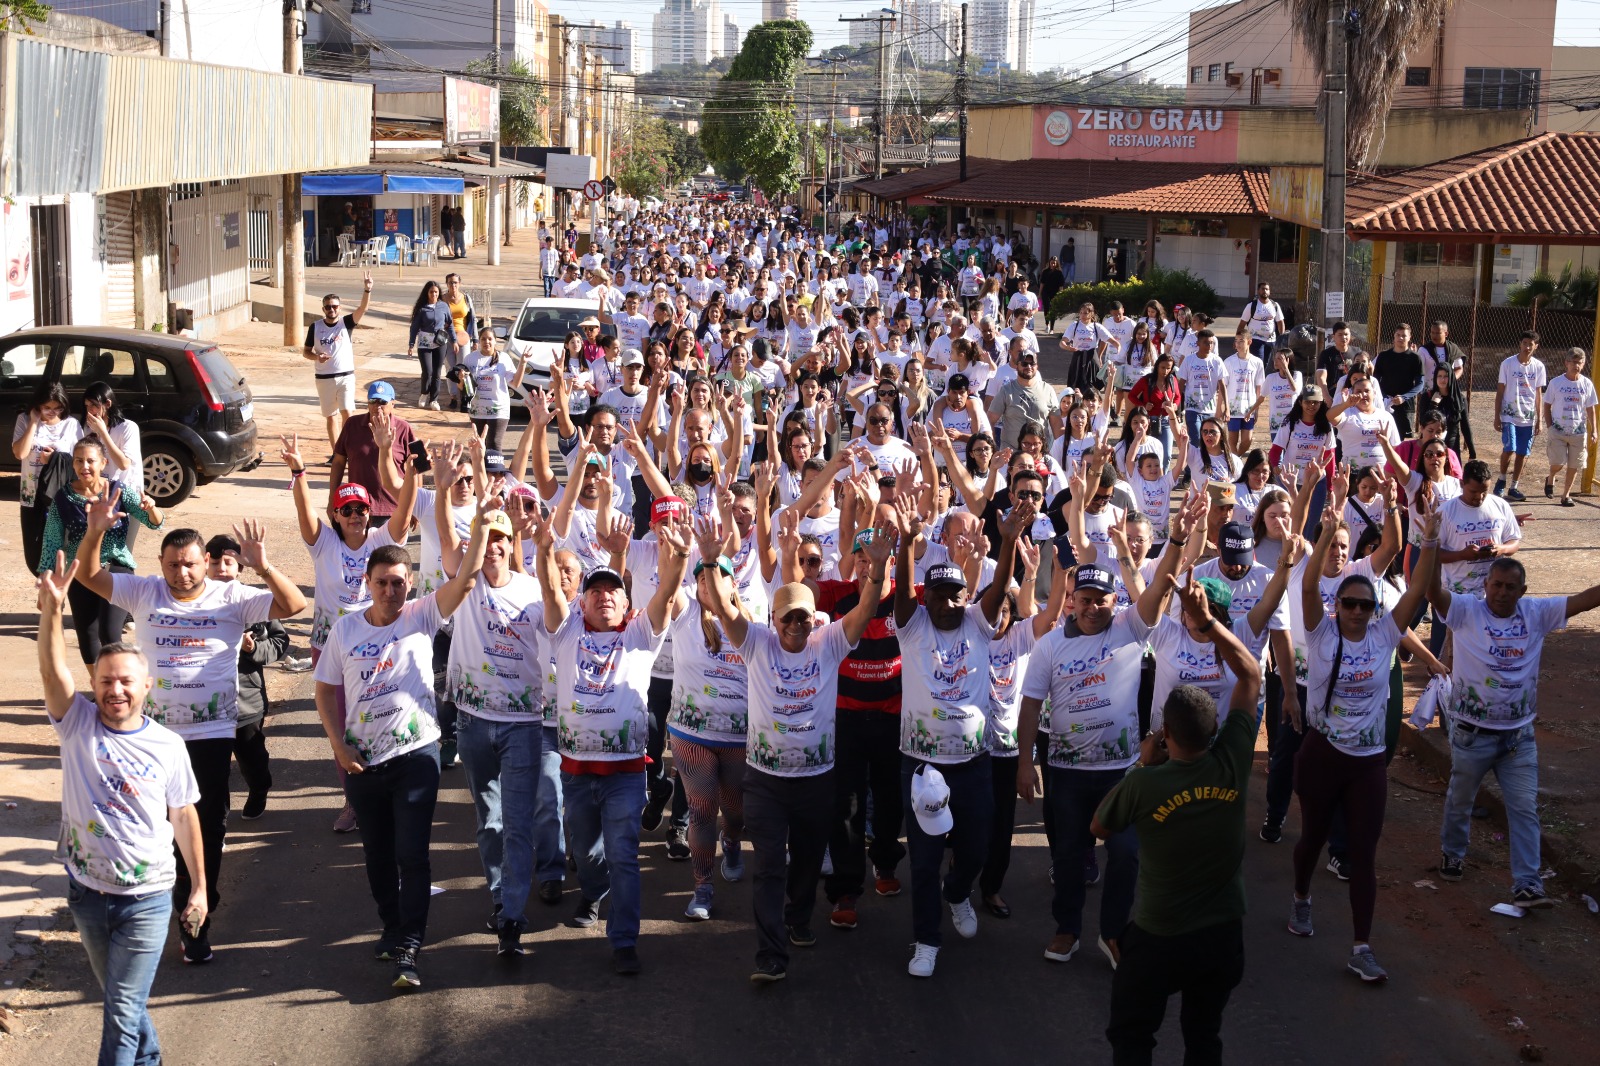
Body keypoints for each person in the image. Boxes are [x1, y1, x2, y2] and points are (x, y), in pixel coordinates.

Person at [76, 510, 304, 965]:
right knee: (157, 823)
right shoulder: (144, 591)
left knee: (208, 822)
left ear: (206, 563)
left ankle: (198, 909)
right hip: (152, 735)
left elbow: (294, 605)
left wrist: (264, 566)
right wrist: (96, 531)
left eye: (191, 564)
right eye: (173, 565)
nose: (182, 573)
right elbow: (88, 574)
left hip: (212, 732)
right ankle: (163, 902)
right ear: (160, 564)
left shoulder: (233, 595)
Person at [698, 517, 894, 984]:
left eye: (802, 615)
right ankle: (770, 954)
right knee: (768, 866)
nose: (795, 623)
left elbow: (867, 609)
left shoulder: (828, 644)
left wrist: (880, 565)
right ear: (774, 620)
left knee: (807, 861)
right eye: (786, 616)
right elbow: (725, 610)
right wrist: (709, 559)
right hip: (765, 782)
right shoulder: (757, 644)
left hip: (816, 780)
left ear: (814, 618)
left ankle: (800, 918)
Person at [1018, 493, 1208, 967]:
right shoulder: (1049, 647)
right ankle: (1066, 930)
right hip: (1065, 771)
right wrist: (1026, 762)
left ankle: (1112, 932)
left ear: (1113, 600)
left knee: (1125, 854)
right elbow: (1030, 705)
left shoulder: (1129, 628)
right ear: (1071, 601)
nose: (1093, 608)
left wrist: (1179, 537)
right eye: (1084, 600)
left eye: (1102, 600)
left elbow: (1162, 584)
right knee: (1067, 856)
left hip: (1123, 773)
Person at [314, 504, 494, 990]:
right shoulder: (345, 630)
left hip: (416, 756)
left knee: (412, 855)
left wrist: (477, 530)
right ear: (367, 585)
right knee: (377, 856)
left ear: (410, 584)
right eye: (382, 583)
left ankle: (409, 946)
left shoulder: (422, 615)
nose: (391, 591)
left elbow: (467, 580)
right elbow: (324, 690)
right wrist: (337, 747)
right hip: (362, 762)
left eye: (399, 582)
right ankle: (392, 928)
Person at [37, 553, 207, 1066]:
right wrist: (52, 613)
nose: (116, 690)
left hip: (148, 897)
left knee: (120, 1007)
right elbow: (52, 669)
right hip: (87, 892)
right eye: (107, 681)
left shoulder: (168, 745)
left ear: (146, 687)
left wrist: (197, 888)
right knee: (122, 1002)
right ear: (95, 685)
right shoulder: (76, 724)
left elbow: (184, 816)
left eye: (127, 682)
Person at [1095, 576, 1264, 1066]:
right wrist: (1210, 624)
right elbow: (1251, 675)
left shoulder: (1145, 784)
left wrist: (1142, 764)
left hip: (1160, 936)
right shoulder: (1232, 759)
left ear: (1165, 733)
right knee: (1203, 1035)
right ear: (1217, 729)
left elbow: (1100, 827)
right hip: (1222, 936)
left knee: (1131, 1036)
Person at [532, 505, 691, 976]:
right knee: (585, 852)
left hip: (625, 771)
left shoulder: (642, 633)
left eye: (613, 592)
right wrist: (544, 551)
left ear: (627, 605)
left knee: (623, 852)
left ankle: (624, 939)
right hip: (576, 772)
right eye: (594, 591)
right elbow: (548, 589)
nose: (603, 596)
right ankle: (594, 890)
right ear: (580, 604)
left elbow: (667, 589)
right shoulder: (567, 631)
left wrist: (676, 557)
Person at [1288, 498, 1438, 982]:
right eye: (1348, 603)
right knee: (1312, 836)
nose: (1356, 610)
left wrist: (1430, 537)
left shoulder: (1384, 635)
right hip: (1322, 755)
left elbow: (1417, 589)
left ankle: (1361, 946)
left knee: (1363, 853)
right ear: (1337, 607)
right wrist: (1328, 533)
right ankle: (1301, 898)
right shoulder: (1321, 634)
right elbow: (1309, 585)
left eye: (1364, 605)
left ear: (1375, 610)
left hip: (1368, 762)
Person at [891, 493, 1025, 977]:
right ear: (924, 598)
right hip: (921, 763)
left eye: (956, 595)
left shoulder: (979, 623)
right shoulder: (911, 626)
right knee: (925, 860)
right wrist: (908, 542)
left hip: (974, 764)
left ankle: (959, 893)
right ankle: (926, 940)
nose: (948, 603)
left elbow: (1000, 584)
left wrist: (1006, 543)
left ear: (967, 596)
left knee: (976, 847)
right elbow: (903, 589)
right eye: (938, 595)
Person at [1427, 553, 1600, 907]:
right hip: (1471, 735)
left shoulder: (1537, 613)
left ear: (1523, 591)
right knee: (1461, 801)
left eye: (1510, 587)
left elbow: (1586, 600)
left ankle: (1527, 883)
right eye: (1496, 585)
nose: (1502, 593)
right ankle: (1453, 853)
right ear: (1485, 585)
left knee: (1524, 808)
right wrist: (1429, 543)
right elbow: (1431, 591)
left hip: (1518, 739)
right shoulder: (1465, 611)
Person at [433, 465, 547, 957]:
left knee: (519, 822)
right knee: (490, 820)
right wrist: (464, 510)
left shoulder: (533, 592)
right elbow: (446, 536)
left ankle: (511, 917)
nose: (496, 546)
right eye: (489, 538)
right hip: (474, 723)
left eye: (503, 538)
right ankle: (500, 893)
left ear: (513, 543)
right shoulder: (463, 587)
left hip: (524, 726)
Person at [284, 431, 417, 832]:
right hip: (328, 648)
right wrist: (299, 471)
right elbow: (305, 513)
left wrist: (410, 476)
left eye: (361, 508)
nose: (356, 514)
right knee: (341, 729)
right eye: (347, 509)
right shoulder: (322, 542)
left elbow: (403, 513)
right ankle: (353, 802)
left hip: (376, 648)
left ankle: (393, 794)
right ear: (336, 515)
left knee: (382, 717)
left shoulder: (379, 541)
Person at [39, 438, 164, 666]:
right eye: (79, 461)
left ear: (103, 463)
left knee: (109, 632)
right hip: (80, 570)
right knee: (87, 636)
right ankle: (100, 689)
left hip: (116, 567)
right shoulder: (63, 498)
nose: (84, 466)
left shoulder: (118, 491)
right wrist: (45, 579)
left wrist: (152, 507)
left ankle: (121, 681)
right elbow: (51, 541)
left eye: (90, 460)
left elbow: (155, 522)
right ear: (73, 465)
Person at [205, 534, 291, 822]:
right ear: (205, 564)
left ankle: (259, 788)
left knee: (251, 756)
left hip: (247, 702)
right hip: (208, 705)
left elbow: (279, 642)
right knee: (213, 768)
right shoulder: (196, 604)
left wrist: (253, 648)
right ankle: (219, 816)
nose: (221, 569)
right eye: (214, 562)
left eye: (228, 562)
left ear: (239, 568)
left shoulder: (254, 601)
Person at [15, 382, 84, 573]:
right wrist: (34, 423)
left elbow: (81, 461)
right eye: (47, 407)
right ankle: (47, 590)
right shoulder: (24, 419)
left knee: (60, 550)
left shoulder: (71, 425)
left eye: (57, 408)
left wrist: (53, 459)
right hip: (31, 496)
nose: (52, 412)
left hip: (60, 497)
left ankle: (56, 595)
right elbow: (20, 453)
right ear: (37, 405)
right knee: (33, 553)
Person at [302, 273, 373, 453]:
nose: (331, 309)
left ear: (339, 308)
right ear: (323, 309)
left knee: (348, 414)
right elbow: (306, 351)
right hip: (324, 378)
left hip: (346, 377)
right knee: (331, 417)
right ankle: (337, 453)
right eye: (328, 307)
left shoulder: (346, 323)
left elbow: (363, 309)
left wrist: (367, 289)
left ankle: (350, 450)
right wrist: (317, 357)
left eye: (334, 306)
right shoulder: (315, 327)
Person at [330, 382, 416, 528]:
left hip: (393, 510)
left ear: (393, 404)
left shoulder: (403, 428)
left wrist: (414, 507)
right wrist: (332, 498)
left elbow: (416, 469)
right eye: (373, 401)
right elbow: (338, 462)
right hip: (357, 509)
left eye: (383, 402)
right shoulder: (352, 425)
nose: (378, 406)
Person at [1494, 331, 1547, 501]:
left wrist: (1539, 420)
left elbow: (1538, 394)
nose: (1527, 347)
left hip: (1528, 417)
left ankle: (1514, 486)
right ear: (1520, 344)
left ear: (1536, 346)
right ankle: (1501, 480)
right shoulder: (1507, 364)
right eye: (1525, 343)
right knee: (1510, 448)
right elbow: (1500, 391)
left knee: (1522, 453)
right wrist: (1497, 416)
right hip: (1509, 415)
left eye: (1531, 344)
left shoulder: (1538, 367)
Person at [1542, 347, 1597, 507]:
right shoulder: (1556, 382)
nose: (1576, 366)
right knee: (1557, 463)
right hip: (1558, 431)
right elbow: (1547, 405)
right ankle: (1551, 477)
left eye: (1580, 362)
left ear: (1584, 363)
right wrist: (1550, 426)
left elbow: (1591, 408)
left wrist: (1594, 430)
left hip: (1578, 432)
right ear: (1566, 363)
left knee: (1575, 465)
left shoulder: (1586, 384)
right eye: (1573, 362)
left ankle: (1565, 496)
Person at [462, 326, 526, 454]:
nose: (487, 342)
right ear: (479, 341)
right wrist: (461, 379)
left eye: (490, 339)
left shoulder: (504, 358)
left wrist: (523, 363)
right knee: (480, 446)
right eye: (483, 339)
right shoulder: (470, 359)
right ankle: (482, 473)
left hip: (499, 410)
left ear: (495, 341)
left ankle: (496, 473)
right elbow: (463, 387)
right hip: (477, 410)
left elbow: (516, 383)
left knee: (494, 445)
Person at [987, 349, 1056, 451]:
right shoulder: (1006, 390)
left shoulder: (1048, 390)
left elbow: (1057, 425)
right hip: (1012, 455)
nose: (1028, 367)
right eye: (1024, 364)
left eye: (1032, 364)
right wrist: (992, 448)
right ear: (1017, 366)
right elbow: (989, 421)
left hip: (1039, 454)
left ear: (1037, 366)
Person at [406, 279, 452, 411]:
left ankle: (434, 400)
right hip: (424, 343)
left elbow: (450, 323)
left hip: (440, 343)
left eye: (436, 292)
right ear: (427, 293)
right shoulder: (422, 309)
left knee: (437, 373)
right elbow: (414, 327)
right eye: (431, 292)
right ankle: (424, 393)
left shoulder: (444, 306)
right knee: (428, 371)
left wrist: (453, 339)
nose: (434, 294)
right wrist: (411, 344)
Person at [1373, 323, 1425, 439]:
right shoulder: (1383, 356)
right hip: (1384, 404)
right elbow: (1375, 381)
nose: (1401, 338)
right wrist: (1384, 397)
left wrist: (1404, 397)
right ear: (1394, 336)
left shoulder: (1415, 358)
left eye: (1404, 336)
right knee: (1383, 438)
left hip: (1405, 406)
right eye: (1398, 335)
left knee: (1404, 440)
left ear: (1409, 337)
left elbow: (1420, 384)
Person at [1241, 281, 1285, 360]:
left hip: (1271, 340)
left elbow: (1280, 322)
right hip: (1255, 339)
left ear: (1269, 291)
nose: (1265, 291)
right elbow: (1242, 323)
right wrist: (1238, 339)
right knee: (1259, 361)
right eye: (1262, 289)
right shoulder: (1251, 306)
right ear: (1258, 291)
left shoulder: (1275, 305)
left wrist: (1282, 338)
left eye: (1267, 289)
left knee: (1265, 363)